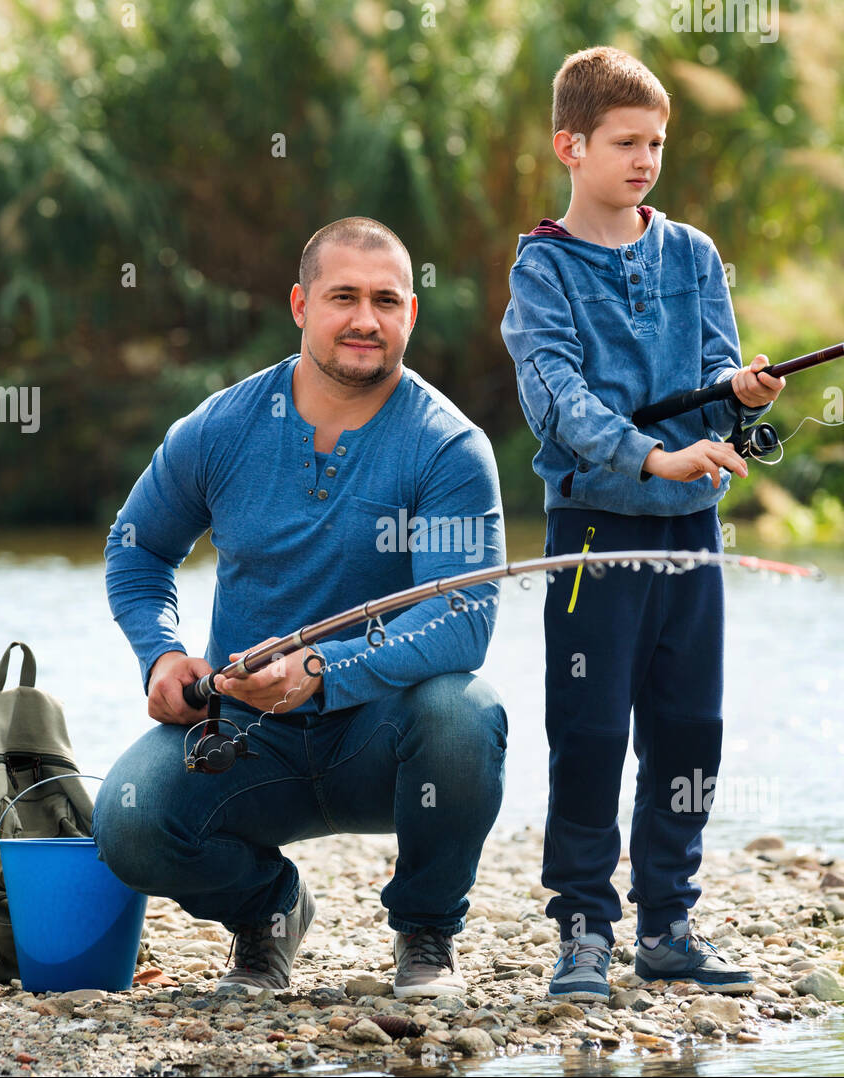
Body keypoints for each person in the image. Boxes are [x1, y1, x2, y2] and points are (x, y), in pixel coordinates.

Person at [94, 217, 508, 999]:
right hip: (247, 739)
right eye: (342, 296)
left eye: (386, 300)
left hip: (381, 740)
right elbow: (136, 549)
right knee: (126, 819)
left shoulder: (450, 448)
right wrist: (160, 652)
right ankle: (269, 913)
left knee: (465, 712)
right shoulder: (219, 427)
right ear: (299, 305)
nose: (364, 319)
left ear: (409, 315)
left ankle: (426, 935)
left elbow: (463, 619)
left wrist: (322, 669)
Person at [500, 46, 785, 1001]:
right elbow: (554, 396)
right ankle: (583, 930)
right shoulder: (542, 265)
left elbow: (720, 376)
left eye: (657, 142)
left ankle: (669, 925)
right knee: (588, 731)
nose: (645, 159)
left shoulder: (696, 256)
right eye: (626, 142)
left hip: (691, 534)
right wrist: (650, 454)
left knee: (689, 727)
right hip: (593, 530)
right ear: (569, 146)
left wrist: (742, 400)